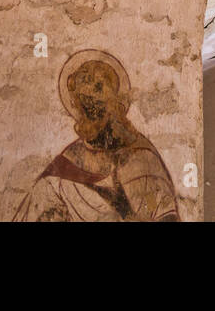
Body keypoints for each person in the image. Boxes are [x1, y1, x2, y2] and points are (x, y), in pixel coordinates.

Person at [15, 51, 179, 222]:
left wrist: (125, 210)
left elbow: (167, 217)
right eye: (86, 105)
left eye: (99, 103)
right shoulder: (61, 171)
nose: (93, 112)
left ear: (113, 103)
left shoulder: (144, 158)